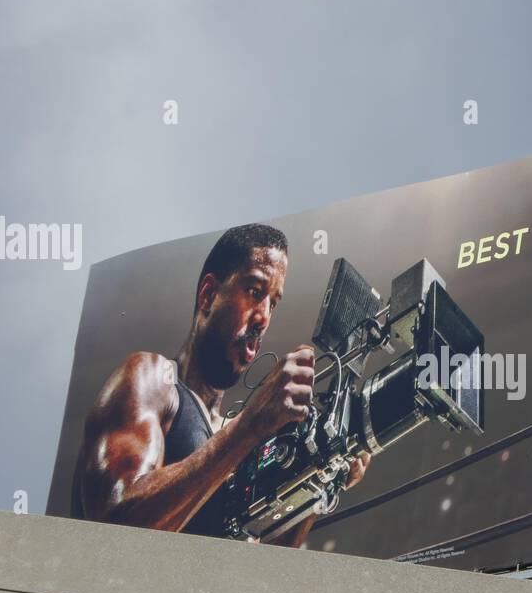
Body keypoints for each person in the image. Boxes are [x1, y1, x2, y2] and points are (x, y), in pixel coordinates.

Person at [70, 223, 369, 545]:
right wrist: (249, 426)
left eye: (273, 303)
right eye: (254, 291)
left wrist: (320, 477)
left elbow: (264, 574)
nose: (263, 317)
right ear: (209, 294)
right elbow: (115, 530)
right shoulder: (151, 378)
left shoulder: (239, 442)